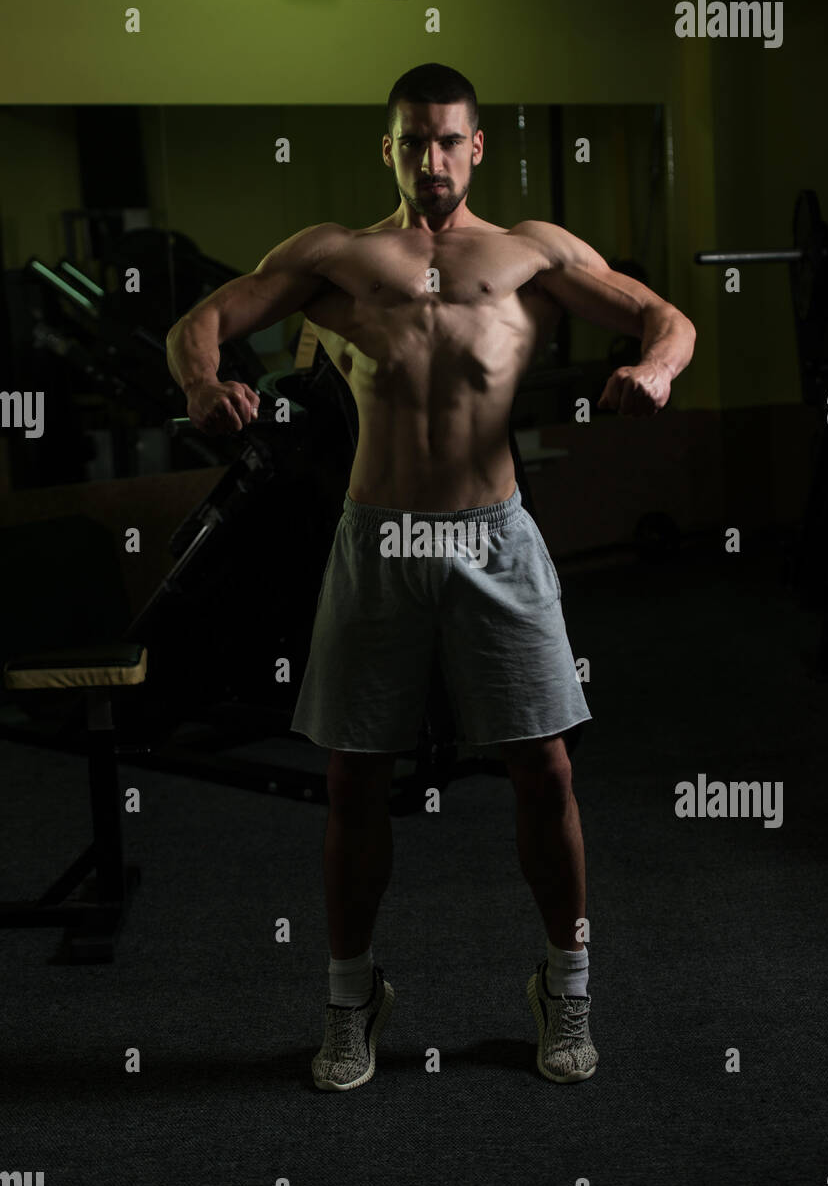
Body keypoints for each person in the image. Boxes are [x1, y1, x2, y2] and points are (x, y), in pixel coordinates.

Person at [166, 63, 696, 1092]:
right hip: (377, 542)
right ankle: (353, 996)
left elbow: (661, 314)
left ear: (478, 145)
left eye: (450, 140)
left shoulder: (530, 252)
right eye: (414, 141)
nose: (433, 160)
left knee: (545, 768)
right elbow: (206, 319)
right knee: (354, 777)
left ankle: (566, 985)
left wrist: (657, 369)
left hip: (496, 539)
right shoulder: (338, 258)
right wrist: (202, 378)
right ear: (389, 148)